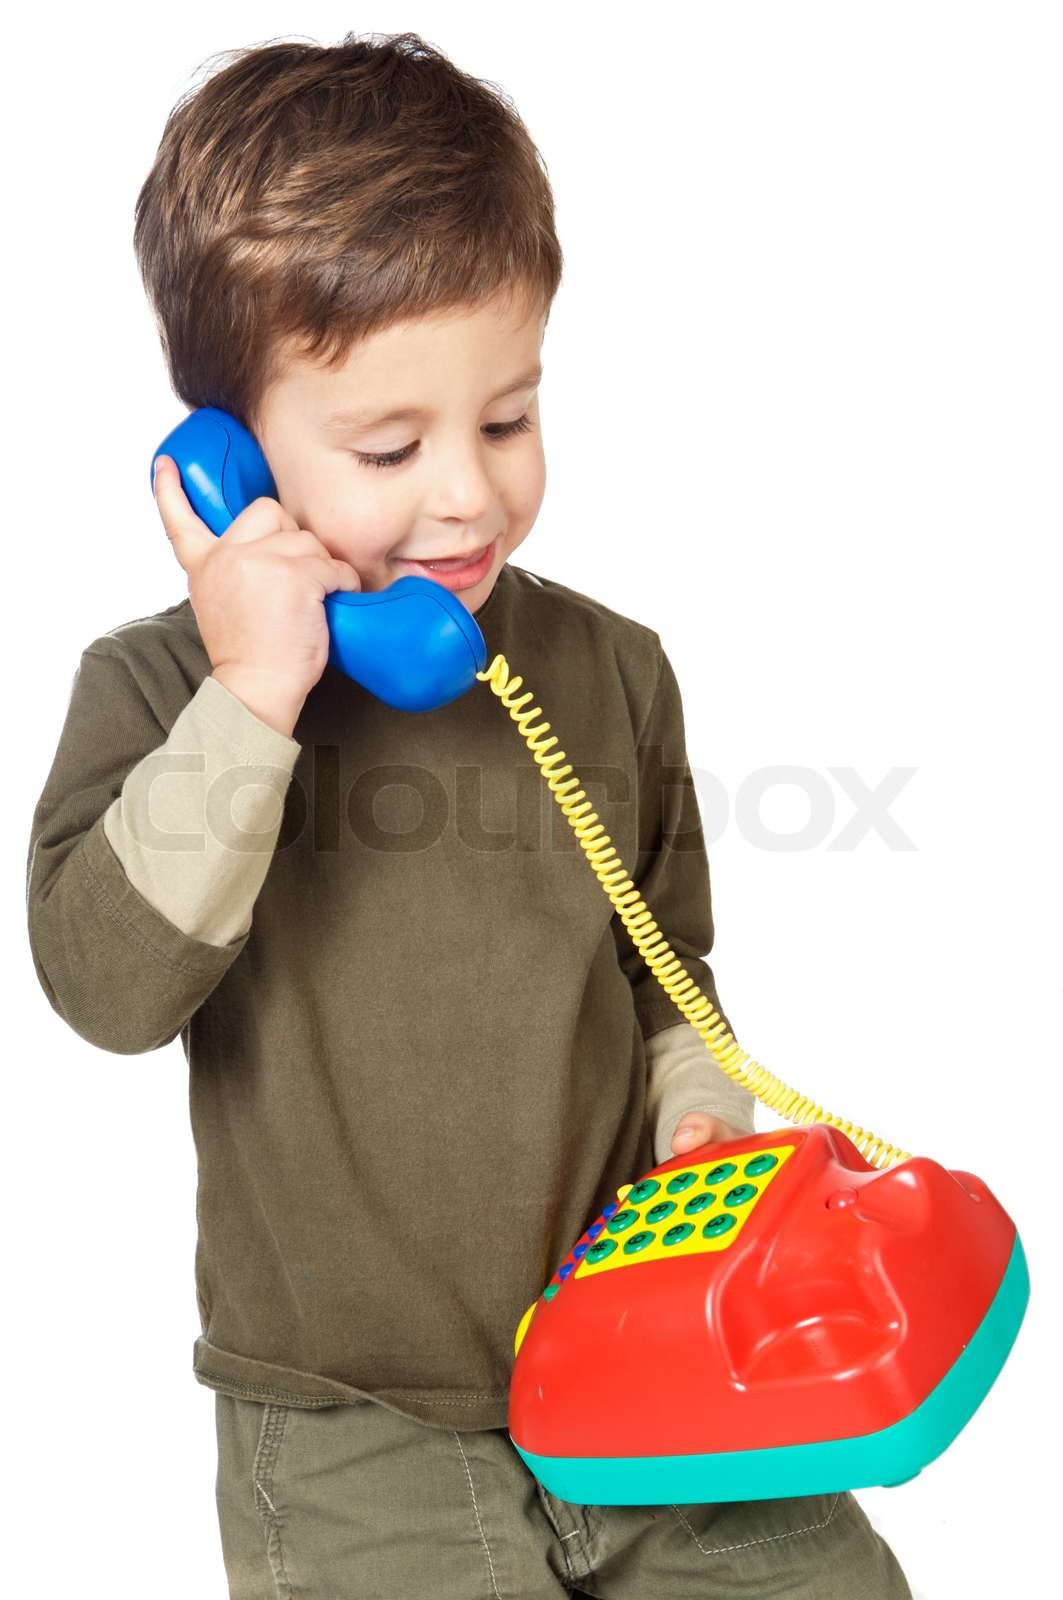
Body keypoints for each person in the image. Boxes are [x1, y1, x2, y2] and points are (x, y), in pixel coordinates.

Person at [25, 31, 912, 1599]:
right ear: (227, 459)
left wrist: (695, 1111)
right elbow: (104, 989)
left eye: (506, 421)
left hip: (641, 1349)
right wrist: (252, 696)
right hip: (350, 1425)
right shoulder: (166, 691)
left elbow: (666, 962)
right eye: (389, 448)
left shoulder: (610, 671)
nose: (470, 497)